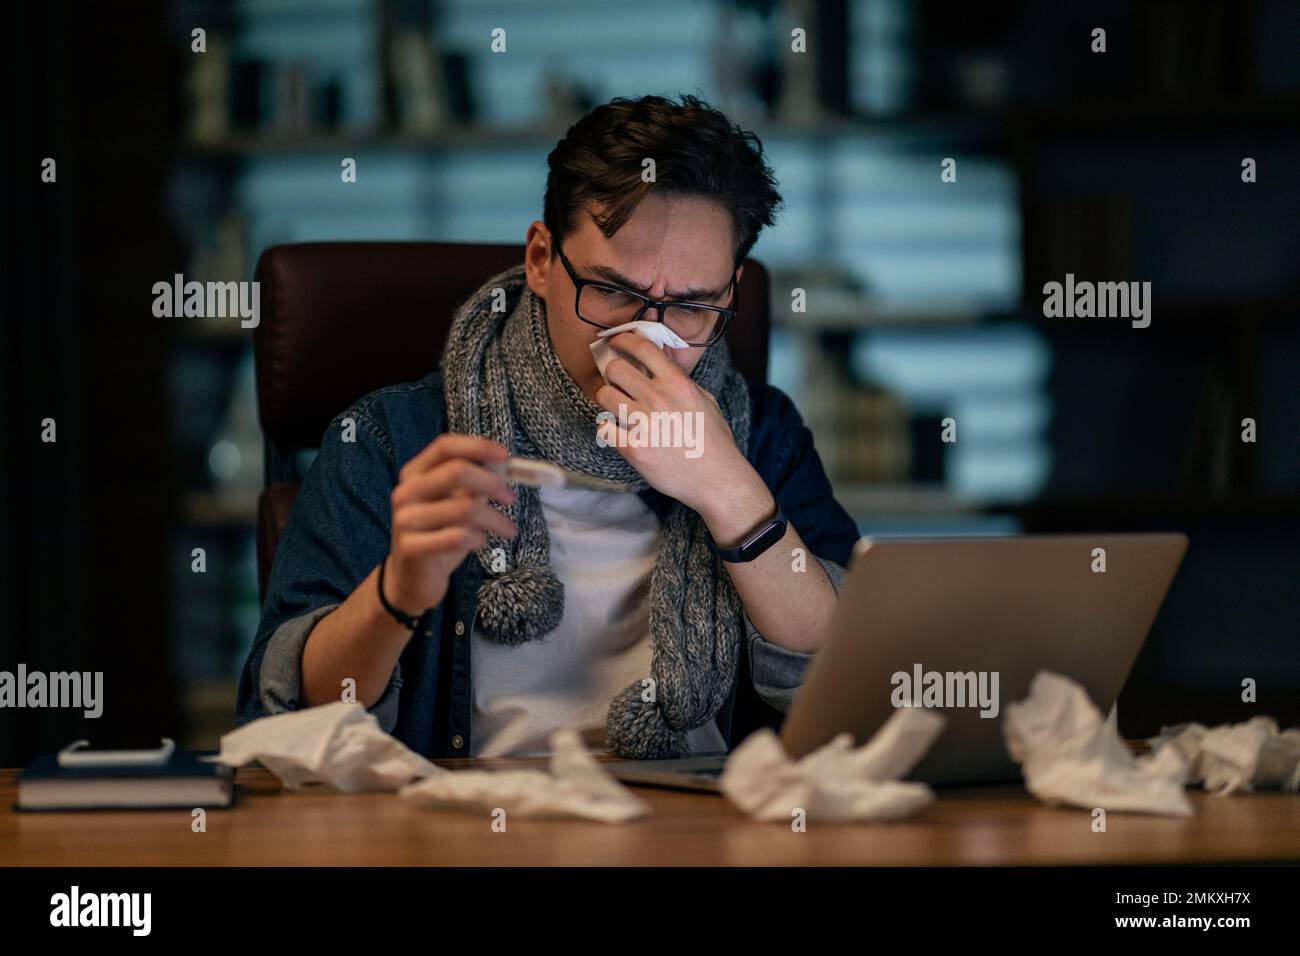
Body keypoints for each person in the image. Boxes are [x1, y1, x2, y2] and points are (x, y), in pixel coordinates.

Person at [236, 93, 857, 759]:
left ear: (730, 293)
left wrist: (728, 490)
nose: (647, 335)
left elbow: (849, 691)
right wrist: (397, 593)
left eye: (692, 306)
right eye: (613, 291)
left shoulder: (763, 436)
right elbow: (284, 720)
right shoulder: (392, 438)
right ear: (540, 259)